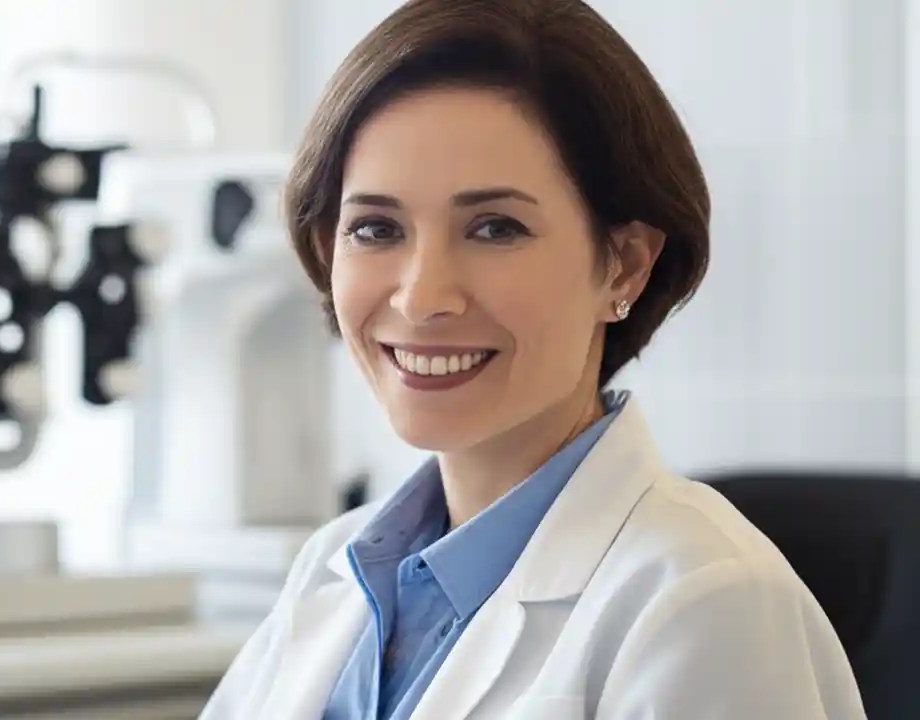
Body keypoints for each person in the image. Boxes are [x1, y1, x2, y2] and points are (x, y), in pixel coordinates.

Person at [199, 0, 866, 718]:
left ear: (623, 265)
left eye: (494, 228)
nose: (423, 298)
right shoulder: (337, 574)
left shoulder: (707, 603)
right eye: (376, 227)